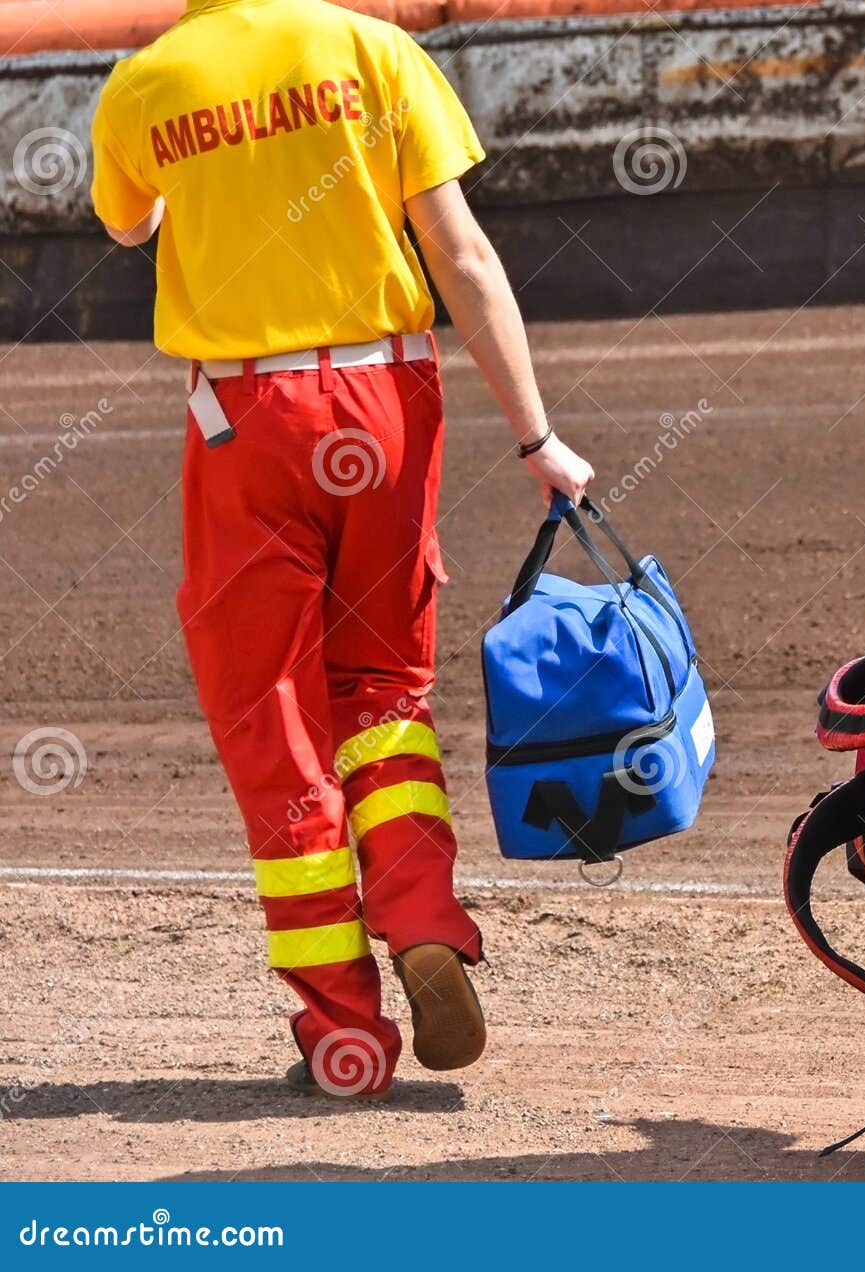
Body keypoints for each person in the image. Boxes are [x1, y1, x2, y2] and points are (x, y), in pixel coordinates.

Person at [90, 0, 593, 1099]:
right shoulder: (374, 49)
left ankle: (341, 1034)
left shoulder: (146, 82)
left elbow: (130, 227)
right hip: (387, 398)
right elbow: (460, 253)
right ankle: (420, 915)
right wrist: (537, 437)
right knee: (382, 692)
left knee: (271, 709)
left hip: (244, 417)